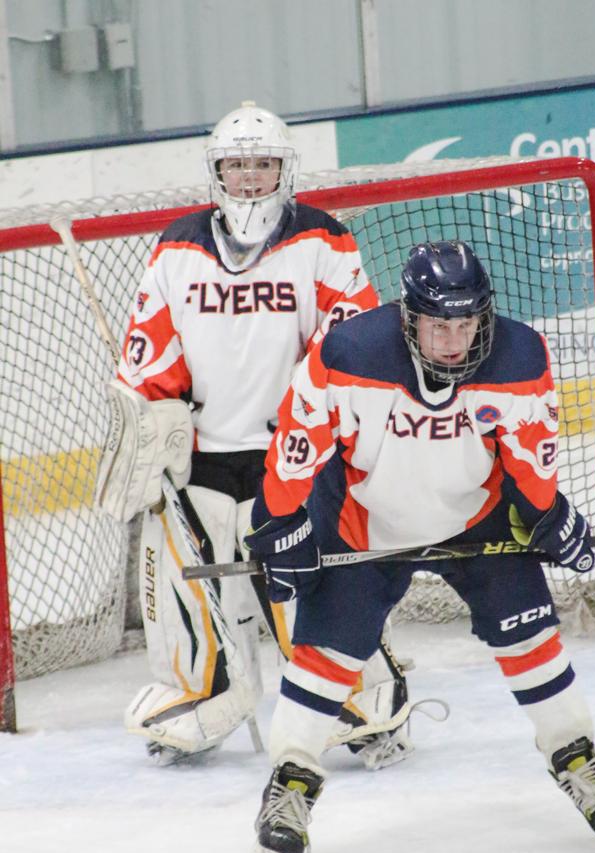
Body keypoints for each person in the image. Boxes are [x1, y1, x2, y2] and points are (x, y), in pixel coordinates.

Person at [245, 239, 595, 853]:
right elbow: (296, 448)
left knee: (530, 635)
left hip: (476, 519)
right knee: (328, 650)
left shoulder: (519, 358)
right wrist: (278, 523)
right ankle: (289, 786)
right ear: (409, 318)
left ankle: (575, 757)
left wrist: (548, 514)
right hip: (364, 521)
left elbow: (529, 459)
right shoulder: (347, 355)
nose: (454, 341)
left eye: (466, 323)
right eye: (438, 325)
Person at [95, 101, 414, 765]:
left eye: (262, 163)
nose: (248, 176)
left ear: (283, 170)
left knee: (311, 583)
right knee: (187, 587)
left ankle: (359, 696)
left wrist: (324, 427)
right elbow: (151, 346)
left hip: (291, 454)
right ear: (216, 171)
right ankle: (200, 692)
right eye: (236, 164)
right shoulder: (178, 246)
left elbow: (351, 341)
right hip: (203, 457)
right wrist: (150, 415)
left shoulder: (323, 240)